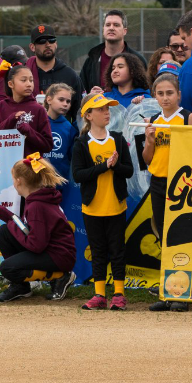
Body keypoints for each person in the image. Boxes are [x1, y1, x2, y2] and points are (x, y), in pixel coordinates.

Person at [0, 155, 76, 303]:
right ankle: (21, 287)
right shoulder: (37, 199)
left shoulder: (36, 205)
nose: (13, 183)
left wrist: (11, 222)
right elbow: (28, 231)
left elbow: (36, 245)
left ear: (19, 181)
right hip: (52, 250)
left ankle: (60, 277)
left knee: (8, 268)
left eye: (13, 179)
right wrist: (7, 216)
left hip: (59, 256)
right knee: (4, 232)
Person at [72, 93, 134, 311]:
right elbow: (78, 175)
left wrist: (115, 165)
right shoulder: (81, 143)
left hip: (116, 206)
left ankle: (119, 294)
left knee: (117, 251)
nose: (106, 112)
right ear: (88, 115)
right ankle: (99, 294)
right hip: (93, 208)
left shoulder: (117, 138)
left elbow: (129, 170)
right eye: (100, 109)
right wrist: (104, 166)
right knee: (98, 252)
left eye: (107, 108)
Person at [144, 73, 192, 313]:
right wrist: (149, 141)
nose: (165, 98)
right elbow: (147, 159)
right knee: (164, 237)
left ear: (179, 94)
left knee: (181, 236)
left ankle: (183, 293)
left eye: (169, 93)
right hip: (158, 181)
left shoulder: (188, 117)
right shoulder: (154, 120)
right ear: (154, 96)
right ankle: (168, 292)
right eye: (160, 93)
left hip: (183, 184)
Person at [26, 24, 84, 121]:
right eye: (42, 41)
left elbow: (79, 112)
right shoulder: (25, 74)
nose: (48, 44)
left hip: (62, 133)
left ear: (56, 44)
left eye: (51, 40)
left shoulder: (69, 74)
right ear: (32, 47)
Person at [0, 66, 53, 157]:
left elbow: (48, 145)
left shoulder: (38, 109)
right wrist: (10, 120)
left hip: (29, 167)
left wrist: (29, 131)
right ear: (11, 84)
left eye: (31, 80)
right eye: (23, 80)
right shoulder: (0, 107)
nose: (29, 84)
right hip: (4, 165)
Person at [80, 10, 144, 92]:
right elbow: (81, 92)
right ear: (103, 29)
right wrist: (90, 96)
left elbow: (145, 90)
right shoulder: (91, 60)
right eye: (108, 25)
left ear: (125, 31)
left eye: (116, 25)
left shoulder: (137, 60)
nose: (111, 28)